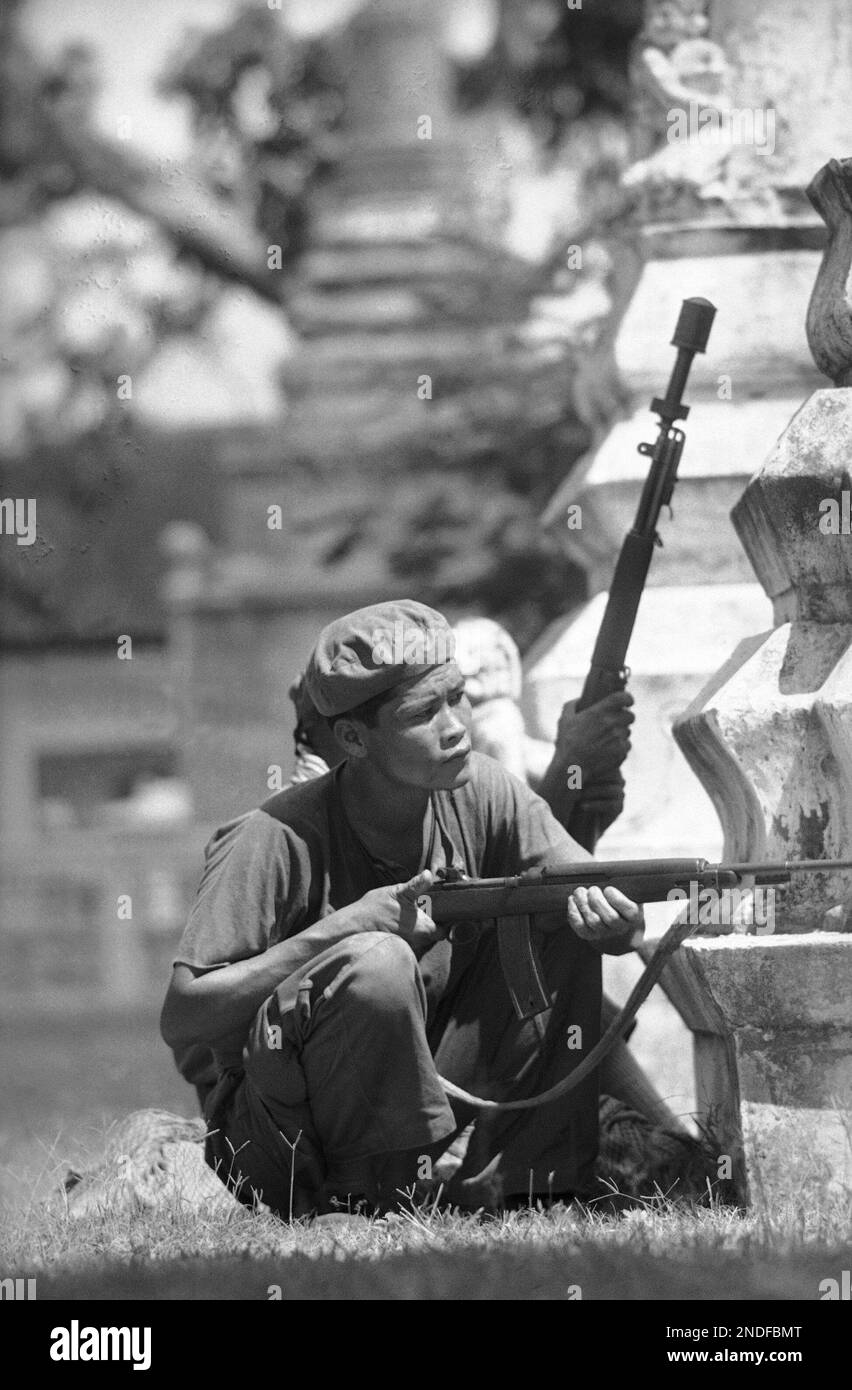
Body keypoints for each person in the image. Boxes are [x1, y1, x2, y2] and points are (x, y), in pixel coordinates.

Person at [160, 599, 645, 1218]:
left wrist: (617, 920)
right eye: (423, 713)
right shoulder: (274, 836)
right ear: (354, 738)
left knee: (557, 912)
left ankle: (541, 1192)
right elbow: (183, 1018)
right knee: (377, 962)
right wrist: (348, 927)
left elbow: (586, 878)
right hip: (280, 1142)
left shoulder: (482, 787)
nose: (455, 727)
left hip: (416, 1092)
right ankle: (358, 1204)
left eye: (457, 697)